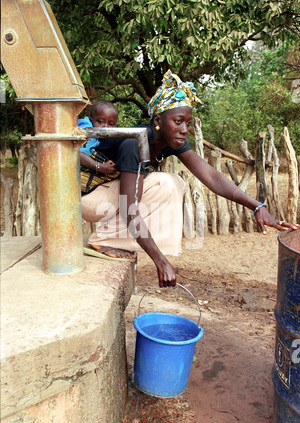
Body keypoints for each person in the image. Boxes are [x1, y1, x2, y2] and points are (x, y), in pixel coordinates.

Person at [81, 70, 298, 285]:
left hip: (105, 195)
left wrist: (257, 206)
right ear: (158, 120)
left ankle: (113, 238)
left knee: (174, 182)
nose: (184, 129)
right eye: (178, 121)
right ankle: (104, 240)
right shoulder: (134, 144)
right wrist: (160, 261)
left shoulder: (170, 141)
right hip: (85, 199)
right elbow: (129, 207)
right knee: (162, 183)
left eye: (187, 122)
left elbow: (211, 177)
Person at [78, 100, 119, 195]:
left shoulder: (105, 138)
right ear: (91, 120)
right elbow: (79, 154)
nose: (105, 127)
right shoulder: (86, 130)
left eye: (111, 124)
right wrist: (100, 167)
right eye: (100, 122)